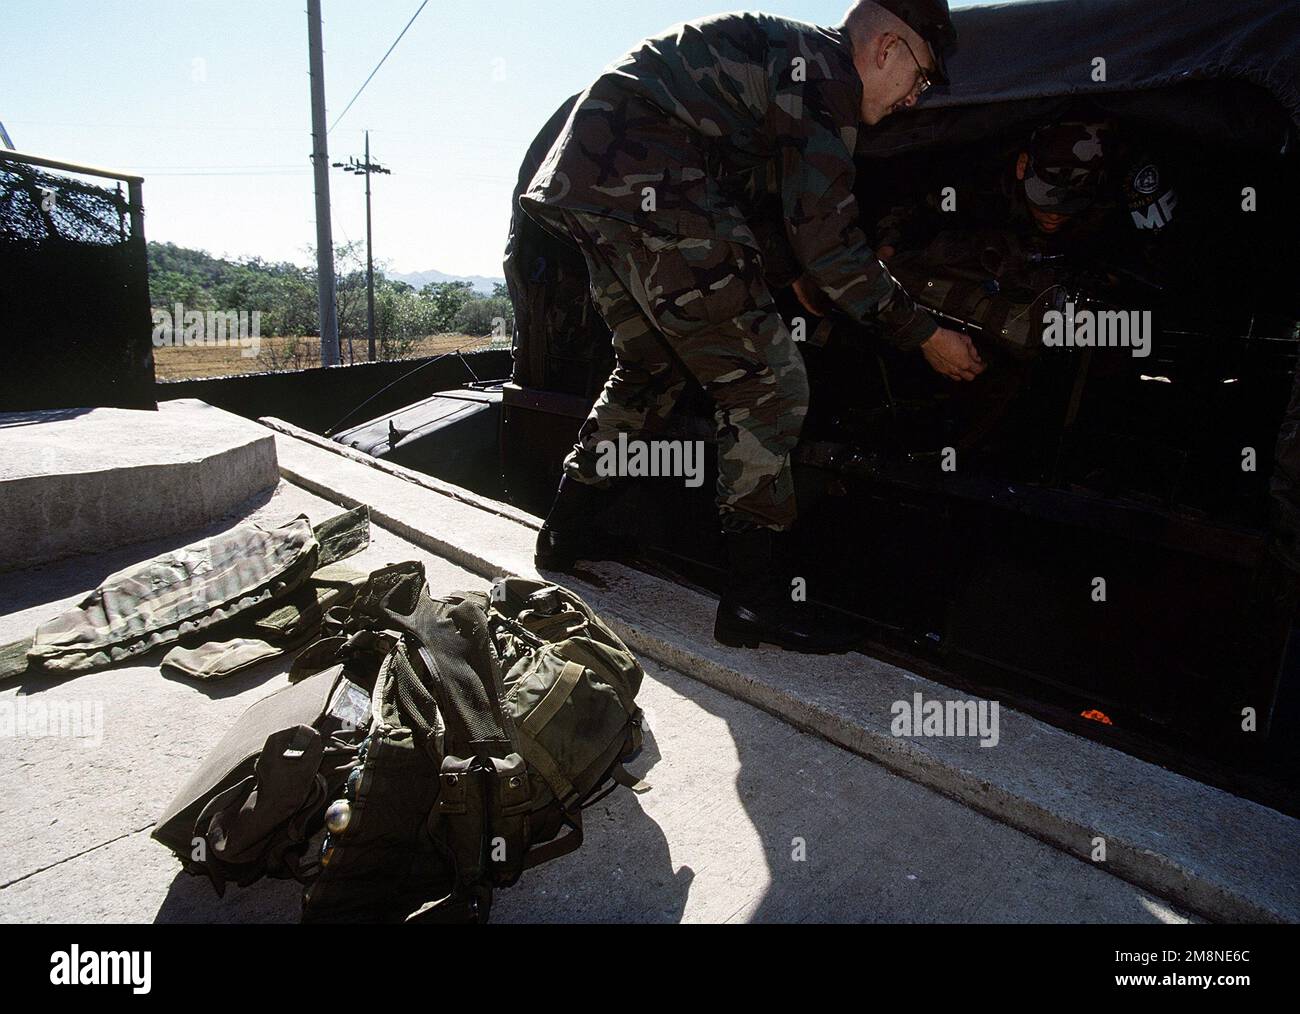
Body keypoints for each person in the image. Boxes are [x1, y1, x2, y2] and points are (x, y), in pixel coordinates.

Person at [519, 1, 980, 654]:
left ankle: (566, 529)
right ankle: (754, 603)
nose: (915, 97)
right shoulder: (826, 76)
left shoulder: (793, 60)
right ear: (887, 48)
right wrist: (925, 335)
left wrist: (798, 275)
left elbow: (766, 204)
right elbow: (830, 242)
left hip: (592, 176)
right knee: (767, 382)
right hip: (648, 173)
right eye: (922, 76)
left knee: (650, 368)